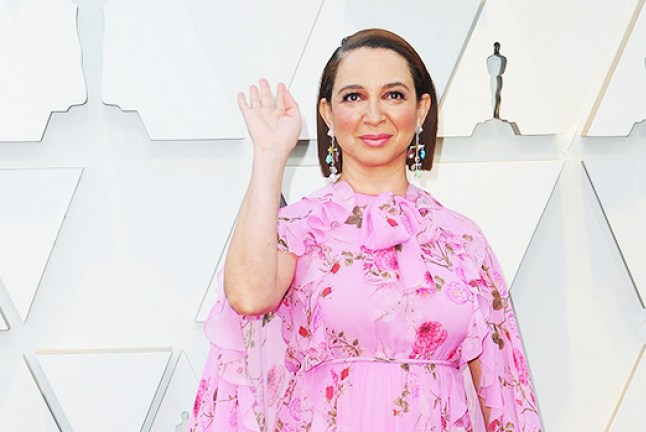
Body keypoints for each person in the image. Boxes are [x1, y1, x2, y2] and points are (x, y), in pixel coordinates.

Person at [188, 29, 541, 432]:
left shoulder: (461, 240)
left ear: (421, 110)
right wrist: (270, 155)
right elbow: (249, 297)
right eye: (354, 97)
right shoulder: (300, 229)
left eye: (394, 95)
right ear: (327, 113)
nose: (374, 115)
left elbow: (505, 397)